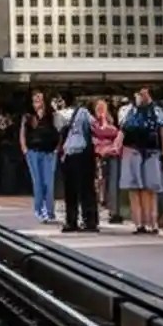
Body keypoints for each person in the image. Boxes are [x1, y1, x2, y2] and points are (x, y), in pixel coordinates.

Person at [115, 86, 163, 234]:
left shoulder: (157, 110)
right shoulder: (127, 110)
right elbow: (122, 127)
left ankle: (152, 222)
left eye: (145, 93)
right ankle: (139, 224)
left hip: (152, 150)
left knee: (150, 188)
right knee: (134, 188)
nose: (142, 96)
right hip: (131, 149)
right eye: (139, 93)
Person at [59, 93, 99, 232]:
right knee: (85, 189)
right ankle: (89, 220)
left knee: (72, 191)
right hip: (82, 154)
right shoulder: (83, 112)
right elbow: (95, 126)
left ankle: (72, 221)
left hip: (70, 153)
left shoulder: (60, 115)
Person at [20, 90, 59, 222]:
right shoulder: (28, 117)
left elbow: (59, 132)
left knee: (49, 182)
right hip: (33, 152)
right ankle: (40, 210)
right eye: (35, 99)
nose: (38, 102)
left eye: (40, 99)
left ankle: (50, 211)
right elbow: (22, 133)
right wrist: (24, 148)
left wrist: (57, 149)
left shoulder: (51, 115)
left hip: (49, 152)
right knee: (38, 182)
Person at [90, 99, 122, 223]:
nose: (101, 110)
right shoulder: (92, 122)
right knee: (98, 183)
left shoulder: (112, 121)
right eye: (98, 108)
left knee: (113, 183)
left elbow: (116, 133)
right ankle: (96, 210)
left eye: (103, 108)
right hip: (97, 155)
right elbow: (96, 133)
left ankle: (114, 212)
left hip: (112, 154)